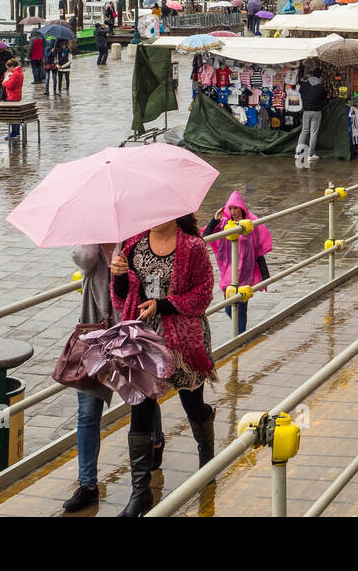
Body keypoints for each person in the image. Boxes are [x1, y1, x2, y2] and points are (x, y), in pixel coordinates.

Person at [110, 213, 216, 518]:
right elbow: (122, 299)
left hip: (183, 342)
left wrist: (163, 304)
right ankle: (140, 492)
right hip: (145, 341)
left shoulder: (193, 247)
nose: (154, 217)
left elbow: (203, 293)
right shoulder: (133, 245)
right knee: (139, 409)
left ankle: (207, 458)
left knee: (192, 406)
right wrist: (118, 275)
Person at [63, 242, 164, 512]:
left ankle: (155, 439)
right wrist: (94, 234)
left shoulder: (136, 241)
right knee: (87, 411)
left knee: (142, 395)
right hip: (94, 334)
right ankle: (87, 485)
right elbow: (84, 257)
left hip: (130, 331)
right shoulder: (89, 246)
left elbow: (150, 279)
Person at [203, 192, 271, 334]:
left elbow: (258, 249)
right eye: (231, 208)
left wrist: (265, 274)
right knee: (229, 307)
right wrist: (215, 219)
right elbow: (206, 237)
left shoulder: (251, 224)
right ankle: (241, 333)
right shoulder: (224, 223)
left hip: (246, 269)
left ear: (242, 208)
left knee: (242, 303)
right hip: (230, 268)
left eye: (236, 208)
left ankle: (240, 336)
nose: (233, 212)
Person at [296, 70, 328, 166]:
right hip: (316, 112)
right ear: (320, 77)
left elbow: (300, 91)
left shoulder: (304, 85)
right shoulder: (320, 87)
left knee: (304, 131)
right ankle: (310, 154)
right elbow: (324, 99)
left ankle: (298, 153)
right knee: (313, 133)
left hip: (306, 111)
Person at [1, 57, 24, 140]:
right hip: (17, 95)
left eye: (9, 68)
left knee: (13, 115)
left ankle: (14, 133)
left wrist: (4, 82)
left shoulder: (15, 74)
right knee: (16, 115)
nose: (9, 70)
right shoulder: (19, 72)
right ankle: (16, 132)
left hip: (12, 96)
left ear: (11, 66)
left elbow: (10, 86)